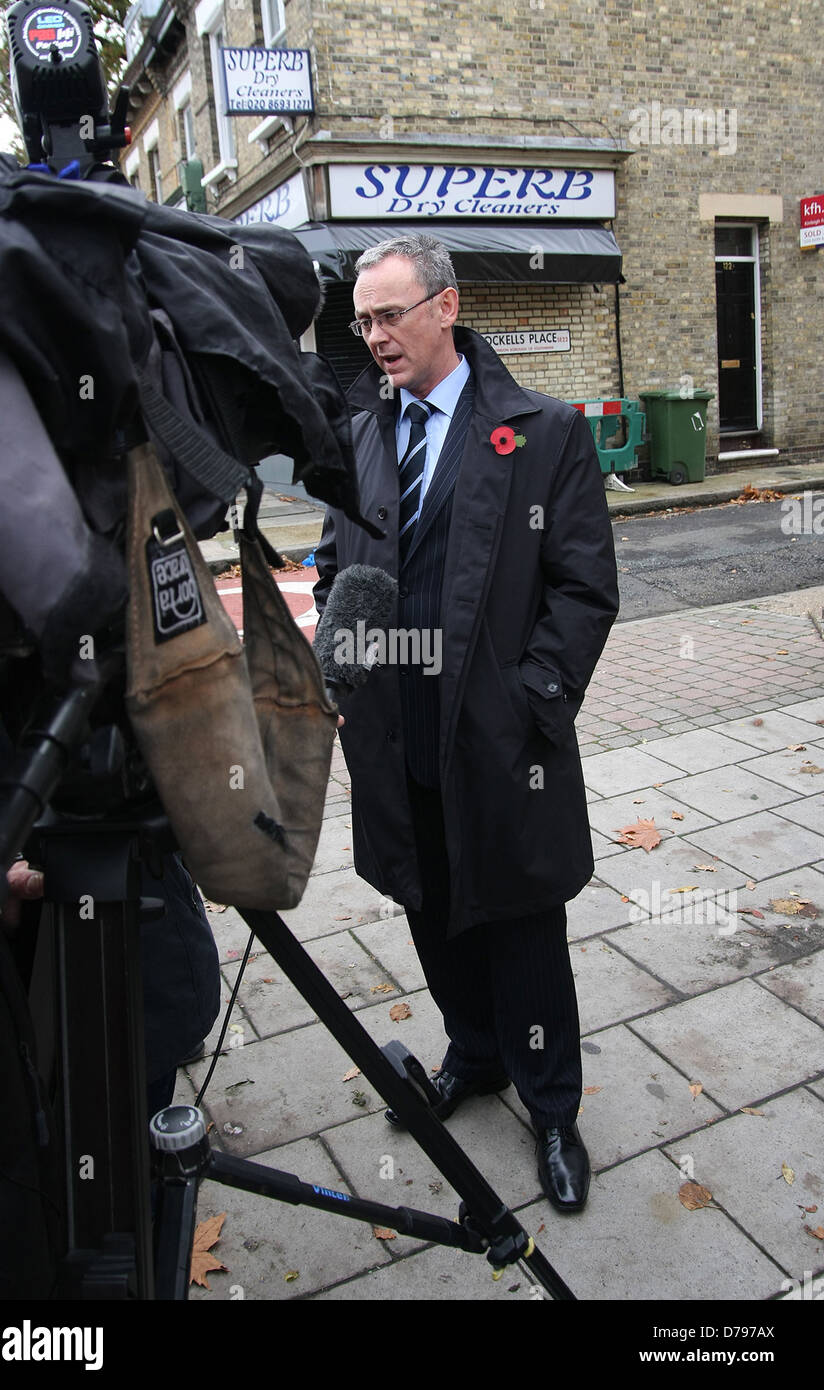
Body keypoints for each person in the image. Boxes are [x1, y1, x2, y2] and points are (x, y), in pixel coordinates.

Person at [314, 233, 619, 1212]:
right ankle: (473, 1055)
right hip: (395, 736)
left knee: (521, 929)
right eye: (362, 320)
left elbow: (583, 588)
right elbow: (334, 563)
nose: (373, 337)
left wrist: (532, 699)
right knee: (432, 905)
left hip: (499, 742)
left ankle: (553, 1107)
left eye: (388, 314)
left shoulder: (541, 430)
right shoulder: (361, 431)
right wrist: (343, 663)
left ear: (445, 308)